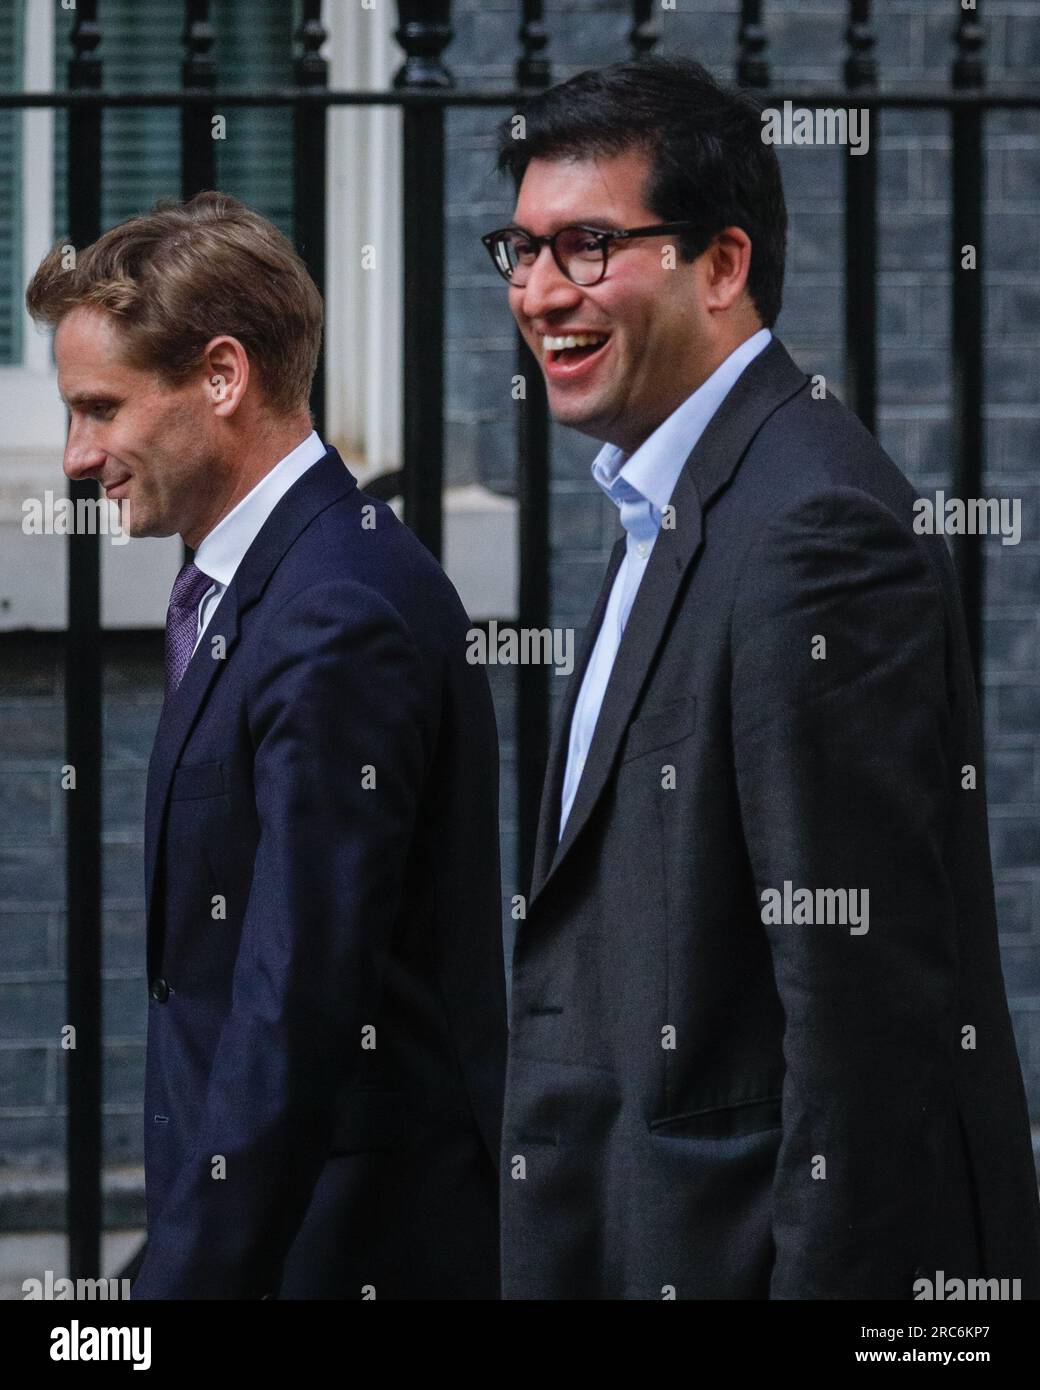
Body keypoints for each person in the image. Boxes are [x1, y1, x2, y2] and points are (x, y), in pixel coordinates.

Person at [483, 55, 1040, 1299]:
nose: (537, 291)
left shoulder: (810, 528)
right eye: (517, 250)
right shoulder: (670, 501)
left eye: (584, 244)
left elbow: (864, 1017)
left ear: (720, 265)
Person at [26, 191, 506, 1299]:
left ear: (222, 377)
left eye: (101, 408)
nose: (77, 455)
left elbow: (298, 995)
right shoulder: (276, 582)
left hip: (342, 1248)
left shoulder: (336, 607)